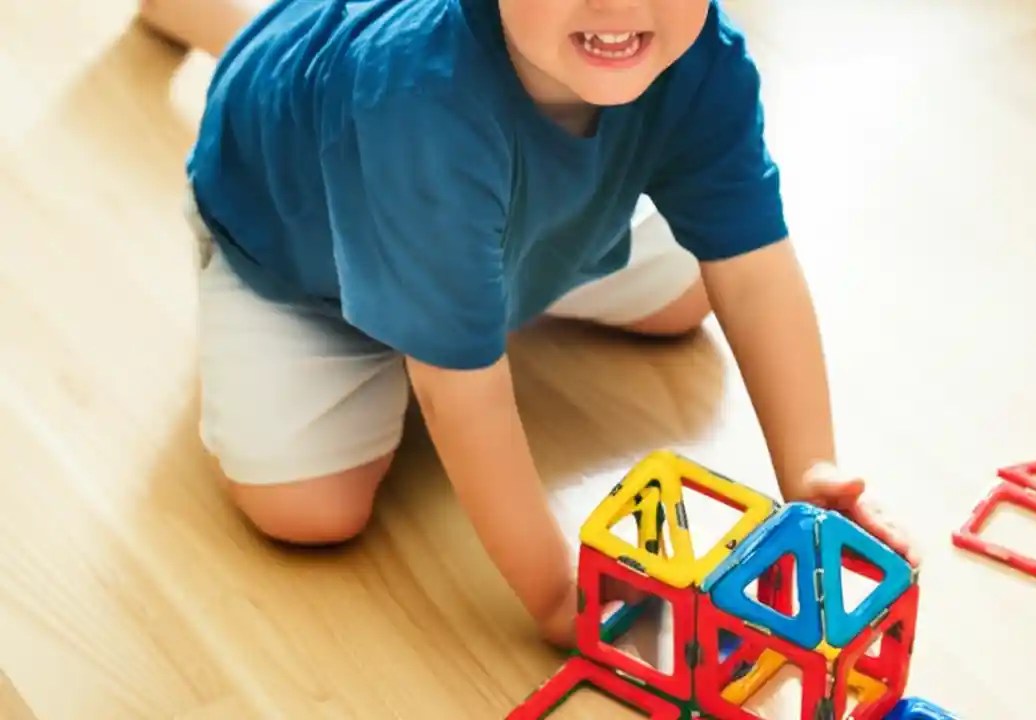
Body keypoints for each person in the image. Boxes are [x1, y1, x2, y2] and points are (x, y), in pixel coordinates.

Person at [139, 0, 920, 648]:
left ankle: (466, 288)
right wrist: (555, 593)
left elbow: (752, 272)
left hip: (496, 228)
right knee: (309, 508)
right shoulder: (414, 108)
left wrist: (811, 477)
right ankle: (216, 15)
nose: (617, 6)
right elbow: (460, 393)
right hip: (302, 254)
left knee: (692, 292)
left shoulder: (701, 54)